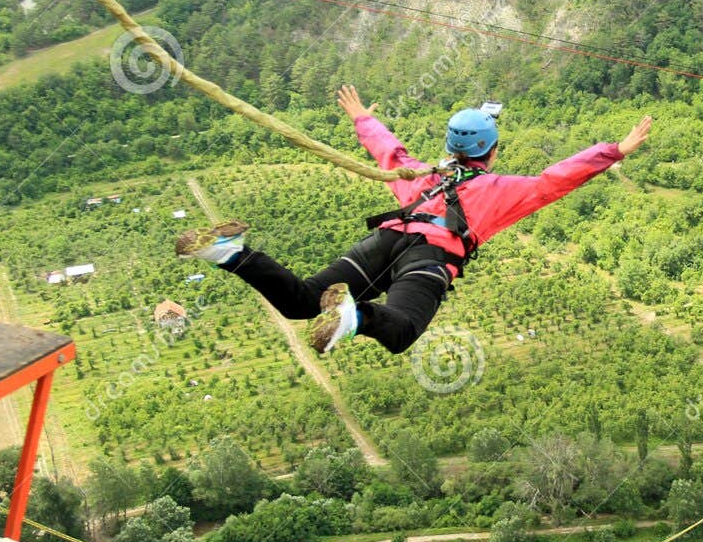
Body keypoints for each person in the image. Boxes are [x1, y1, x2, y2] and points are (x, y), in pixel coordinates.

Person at [176, 85, 652, 354]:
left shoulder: (420, 176)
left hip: (384, 242)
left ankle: (230, 254)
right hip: (430, 256)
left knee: (302, 301)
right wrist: (614, 151)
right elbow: (555, 180)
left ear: (451, 148)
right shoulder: (498, 190)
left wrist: (364, 118)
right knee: (401, 331)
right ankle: (355, 315)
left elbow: (389, 151)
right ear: (493, 150)